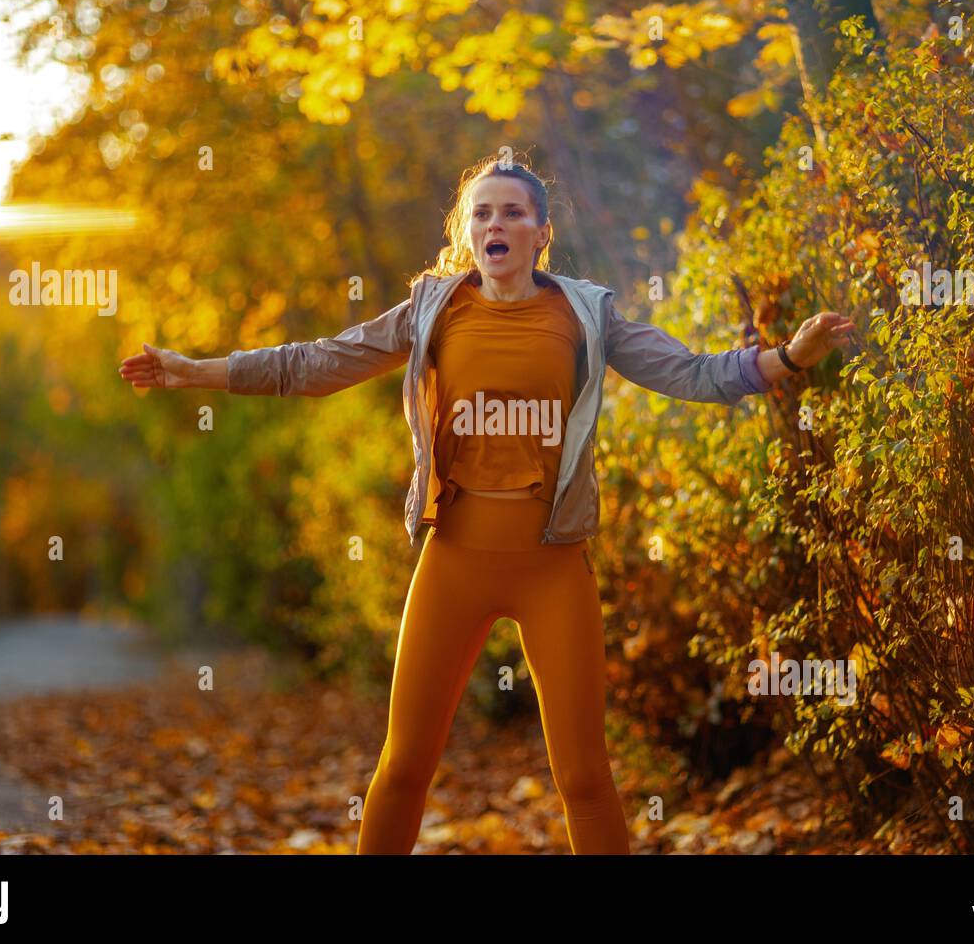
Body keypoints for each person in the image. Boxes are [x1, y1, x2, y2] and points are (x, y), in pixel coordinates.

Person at [119, 156, 855, 854]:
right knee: (404, 766)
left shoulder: (585, 315)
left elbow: (690, 372)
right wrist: (198, 372)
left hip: (551, 567)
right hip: (455, 561)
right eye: (481, 213)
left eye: (511, 212)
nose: (494, 224)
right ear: (467, 231)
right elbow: (316, 362)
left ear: (540, 232)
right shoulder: (434, 310)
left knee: (584, 777)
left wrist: (786, 358)